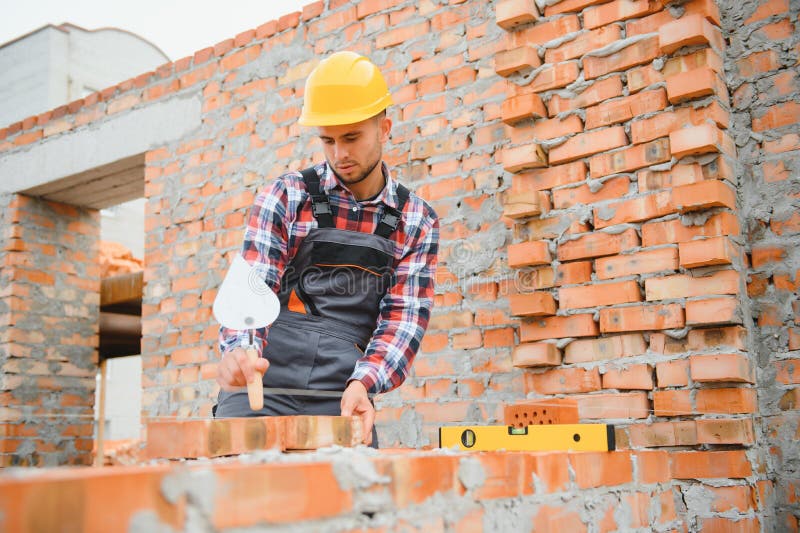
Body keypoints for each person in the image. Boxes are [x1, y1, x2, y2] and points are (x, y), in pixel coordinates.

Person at [213, 51, 439, 447]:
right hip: (261, 391)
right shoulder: (286, 195)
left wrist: (363, 382)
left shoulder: (416, 220)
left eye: (352, 137)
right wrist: (243, 352)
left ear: (385, 128)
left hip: (342, 397)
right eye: (328, 140)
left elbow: (403, 320)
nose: (339, 155)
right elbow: (256, 282)